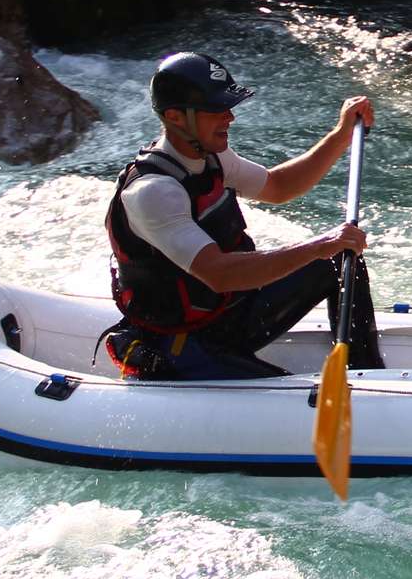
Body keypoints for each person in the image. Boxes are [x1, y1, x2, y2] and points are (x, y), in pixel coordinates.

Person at [101, 51, 383, 380]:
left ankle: (366, 375)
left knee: (338, 259)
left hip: (229, 313)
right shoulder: (153, 192)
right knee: (326, 253)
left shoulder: (212, 158)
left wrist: (341, 135)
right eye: (215, 110)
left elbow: (279, 186)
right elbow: (219, 273)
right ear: (176, 117)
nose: (230, 118)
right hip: (183, 342)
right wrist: (317, 246)